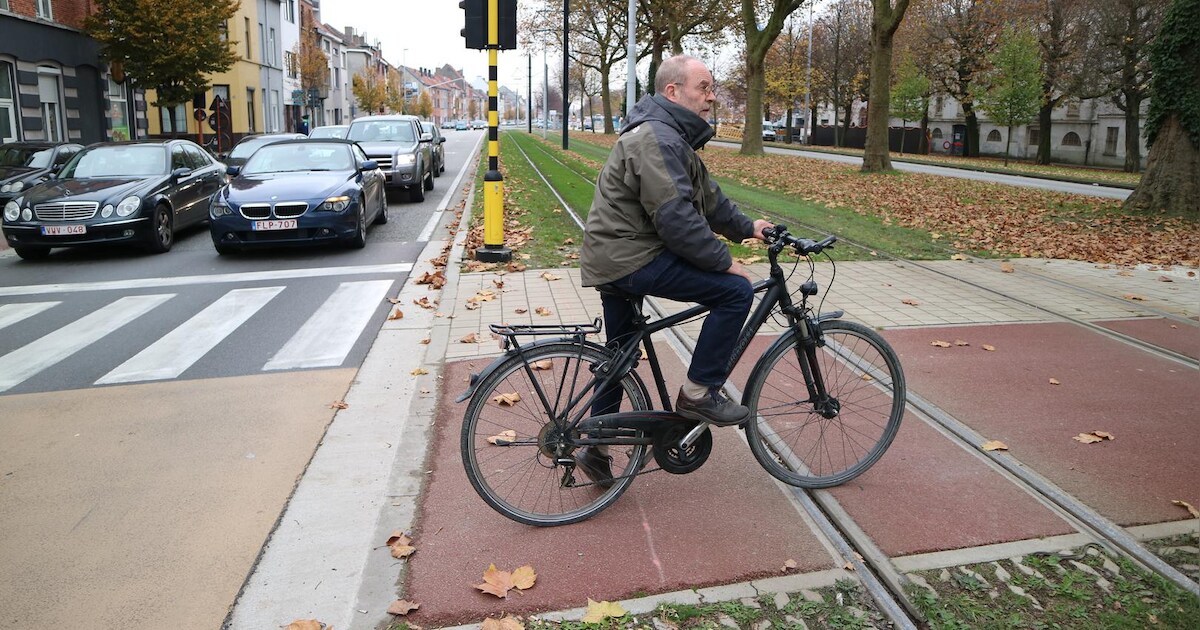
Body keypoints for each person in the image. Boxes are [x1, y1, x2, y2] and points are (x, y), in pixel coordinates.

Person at [576, 54, 772, 485]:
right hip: (631, 257)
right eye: (703, 87)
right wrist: (725, 262)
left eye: (712, 88)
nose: (711, 97)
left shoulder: (670, 136)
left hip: (615, 256)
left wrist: (748, 227)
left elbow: (709, 200)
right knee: (735, 292)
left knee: (619, 356)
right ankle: (699, 393)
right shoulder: (659, 138)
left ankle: (596, 448)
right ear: (673, 91)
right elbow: (675, 217)